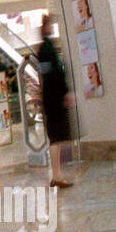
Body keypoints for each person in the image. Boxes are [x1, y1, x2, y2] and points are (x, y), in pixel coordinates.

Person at [36, 14, 75, 188]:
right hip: (54, 100)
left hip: (50, 99)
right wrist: (64, 92)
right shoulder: (47, 49)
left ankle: (57, 175)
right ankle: (57, 176)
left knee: (56, 139)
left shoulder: (44, 49)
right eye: (50, 25)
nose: (52, 28)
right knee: (56, 138)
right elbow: (54, 75)